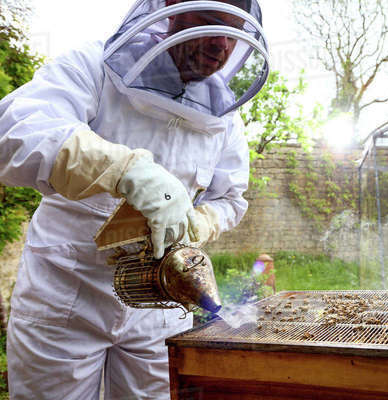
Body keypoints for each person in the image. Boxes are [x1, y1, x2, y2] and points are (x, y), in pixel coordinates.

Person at [0, 0, 269, 398]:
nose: (220, 45)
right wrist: (123, 169)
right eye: (210, 23)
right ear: (172, 9)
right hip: (67, 295)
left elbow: (231, 197)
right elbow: (16, 130)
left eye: (233, 35)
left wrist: (201, 222)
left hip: (159, 303)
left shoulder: (223, 116)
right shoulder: (94, 65)